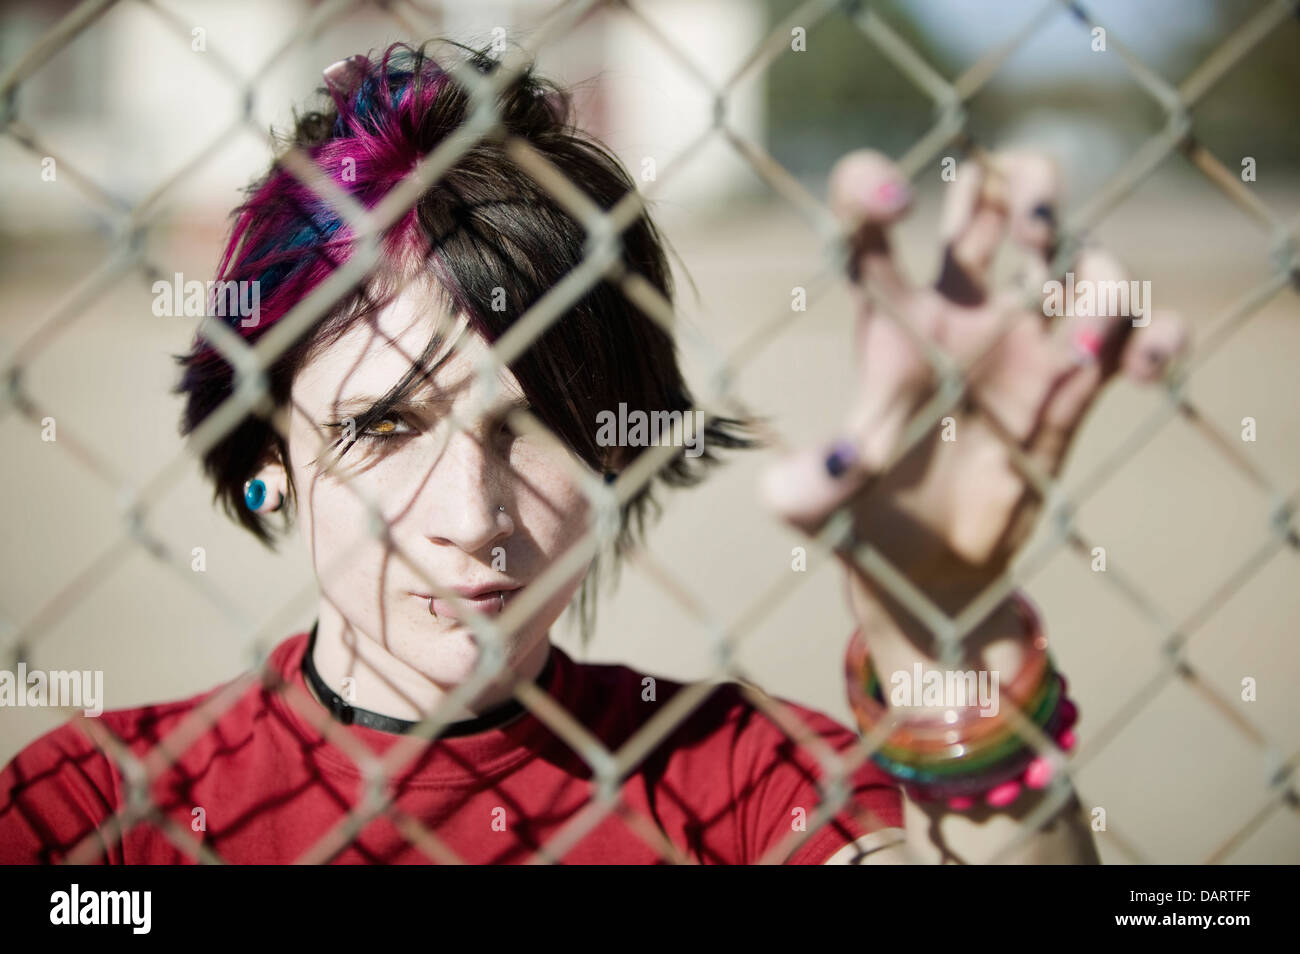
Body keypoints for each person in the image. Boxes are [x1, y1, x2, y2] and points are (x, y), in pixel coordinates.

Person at [0, 39, 1185, 865]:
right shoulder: (97, 809)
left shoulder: (735, 779)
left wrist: (951, 635)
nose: (475, 517)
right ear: (268, 451)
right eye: (385, 426)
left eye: (544, 426)